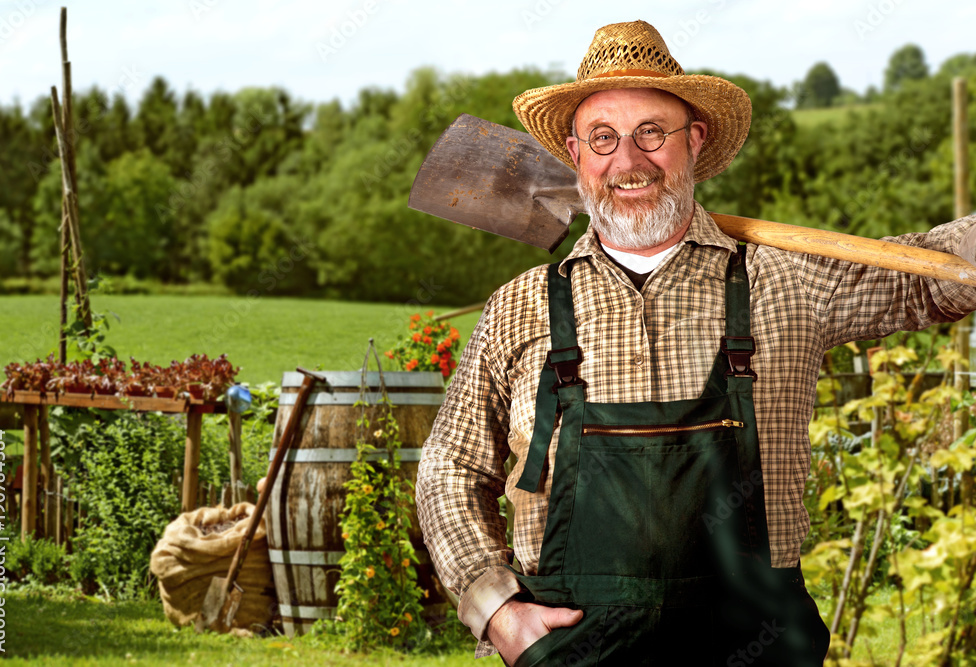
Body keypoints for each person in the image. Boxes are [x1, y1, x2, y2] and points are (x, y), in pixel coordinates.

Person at [415, 20, 976, 666]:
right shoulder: (520, 308)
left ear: (696, 139)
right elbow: (450, 467)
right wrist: (498, 610)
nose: (628, 160)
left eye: (652, 132)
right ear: (575, 154)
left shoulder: (788, 280)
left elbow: (930, 277)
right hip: (571, 645)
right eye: (603, 137)